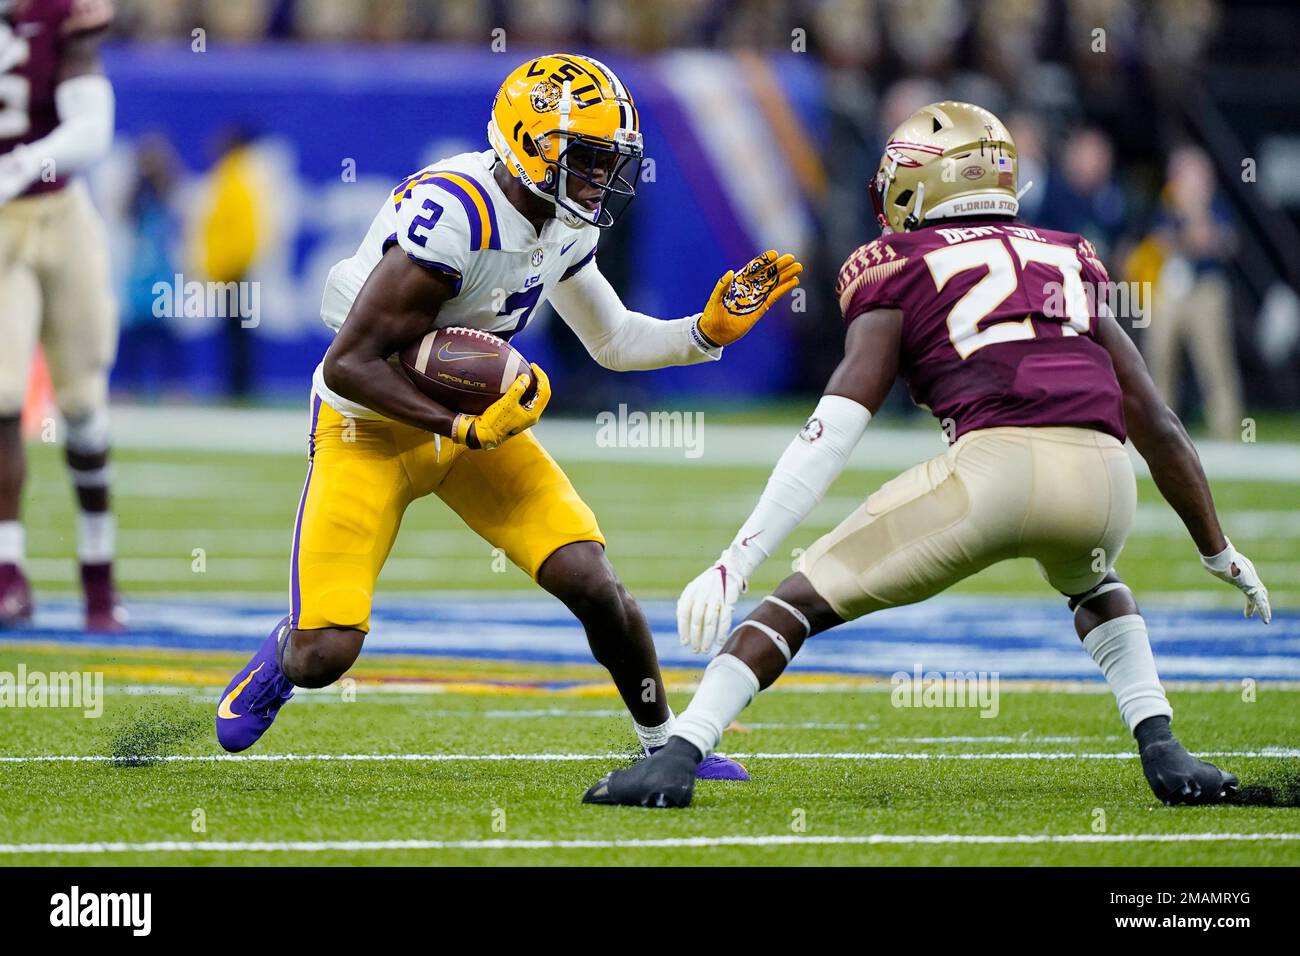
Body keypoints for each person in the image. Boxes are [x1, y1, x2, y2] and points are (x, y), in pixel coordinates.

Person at [583, 102, 1269, 809]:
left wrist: (737, 561)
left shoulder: (895, 263)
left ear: (919, 184)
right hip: (1105, 483)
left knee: (795, 602)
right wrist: (1217, 548)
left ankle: (678, 757)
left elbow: (836, 426)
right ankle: (1164, 748)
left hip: (994, 475)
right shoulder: (1071, 253)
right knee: (1094, 583)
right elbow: (1153, 418)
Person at [213, 54, 802, 784]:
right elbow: (348, 363)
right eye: (588, 159)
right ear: (531, 145)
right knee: (326, 652)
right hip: (368, 428)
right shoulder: (456, 214)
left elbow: (611, 339)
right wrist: (458, 428)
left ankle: (668, 745)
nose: (601, 179)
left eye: (609, 162)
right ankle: (281, 652)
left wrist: (702, 334)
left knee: (592, 580)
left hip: (472, 427)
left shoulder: (558, 219)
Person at [0, 0, 123, 631]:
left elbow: (92, 128)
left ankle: (98, 572)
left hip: (59, 211)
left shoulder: (56, 13)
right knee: (2, 397)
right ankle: (7, 569)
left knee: (82, 403)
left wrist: (20, 164)